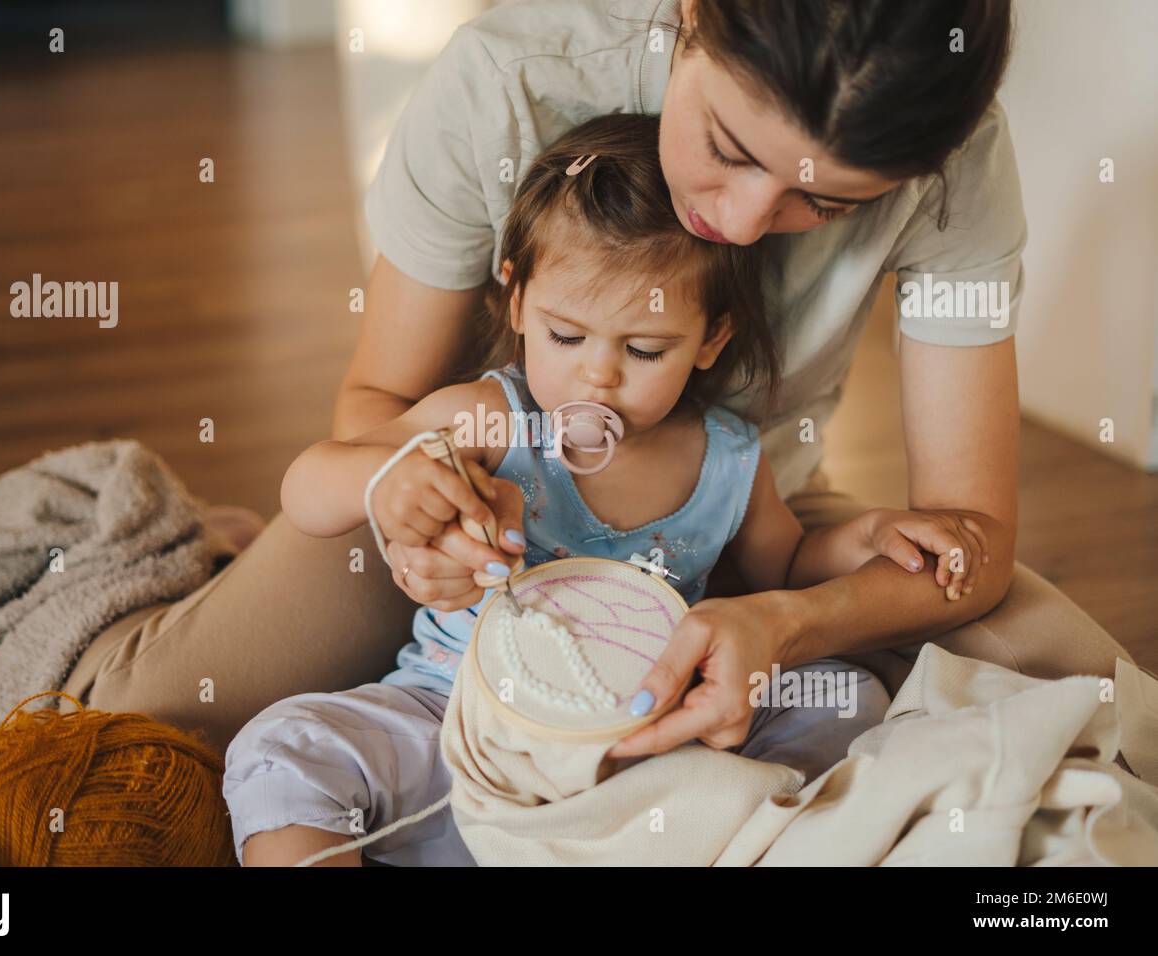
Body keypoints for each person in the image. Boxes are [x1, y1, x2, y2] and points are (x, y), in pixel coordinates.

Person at [60, 0, 1131, 765]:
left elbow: (968, 535)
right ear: (691, 14)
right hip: (489, 520)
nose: (746, 223)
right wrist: (420, 513)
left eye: (829, 205)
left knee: (1086, 687)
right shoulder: (507, 80)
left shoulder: (958, 168)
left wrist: (788, 616)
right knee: (137, 723)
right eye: (726, 147)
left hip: (735, 519)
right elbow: (375, 410)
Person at [221, 113, 996, 865]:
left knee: (846, 699)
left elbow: (785, 572)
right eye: (566, 336)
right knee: (284, 749)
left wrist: (868, 537)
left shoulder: (726, 456)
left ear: (711, 340)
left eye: (647, 348)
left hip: (649, 740)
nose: (599, 374)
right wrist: (386, 478)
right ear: (517, 299)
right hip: (460, 721)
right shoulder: (488, 419)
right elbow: (305, 490)